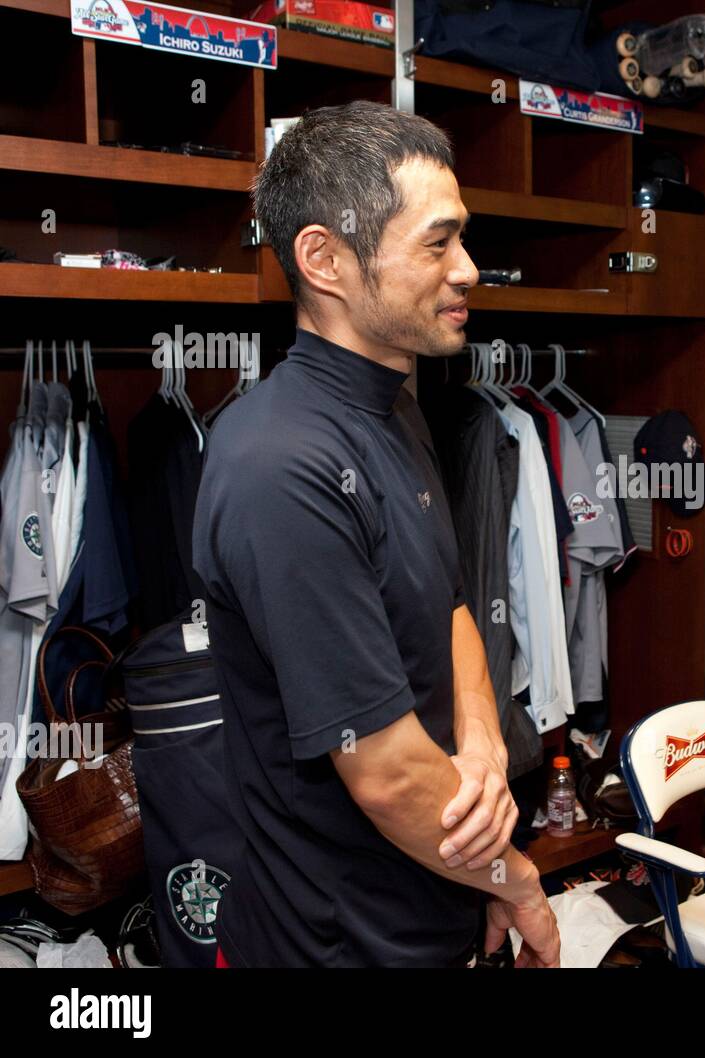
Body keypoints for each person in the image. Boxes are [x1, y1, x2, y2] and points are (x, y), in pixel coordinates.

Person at [192, 101, 559, 967]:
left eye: (462, 238)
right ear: (324, 258)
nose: (468, 269)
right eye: (437, 244)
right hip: (337, 943)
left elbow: (452, 607)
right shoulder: (278, 466)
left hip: (437, 901)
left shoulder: (397, 407)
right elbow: (386, 772)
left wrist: (482, 746)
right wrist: (518, 880)